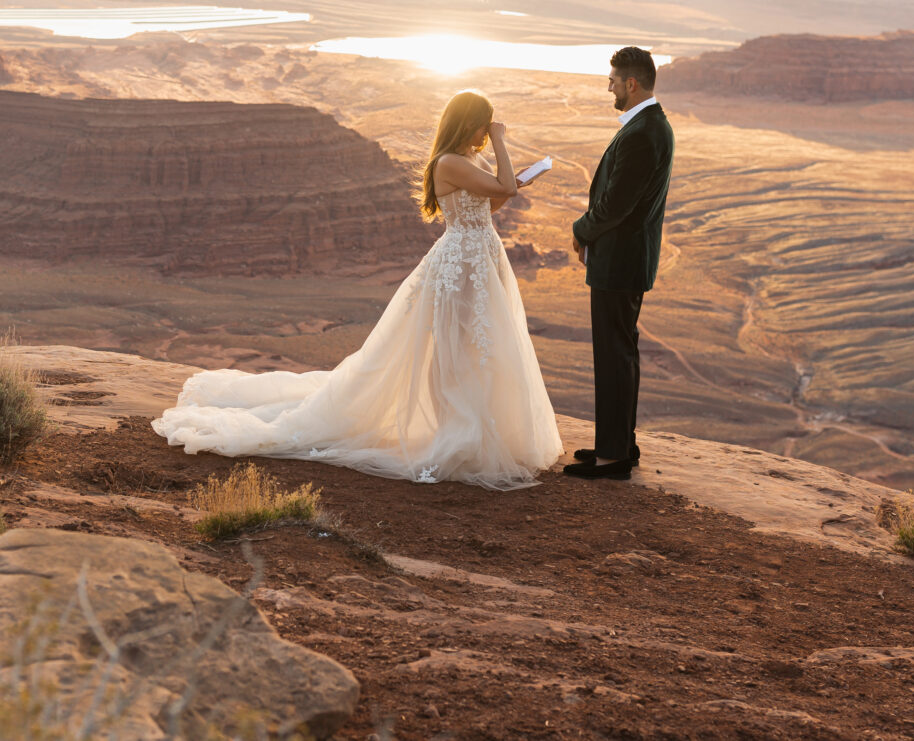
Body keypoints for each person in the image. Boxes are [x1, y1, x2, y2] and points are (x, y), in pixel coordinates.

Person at [153, 89, 563, 489]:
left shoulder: (469, 159)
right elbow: (505, 187)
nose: (486, 132)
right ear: (469, 123)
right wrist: (501, 142)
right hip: (461, 264)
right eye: (483, 125)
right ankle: (455, 432)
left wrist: (511, 175)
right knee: (453, 347)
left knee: (481, 345)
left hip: (482, 257)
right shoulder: (450, 162)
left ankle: (479, 429)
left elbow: (493, 202)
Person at [565, 46, 674, 480]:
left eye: (612, 81)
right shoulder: (649, 125)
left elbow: (616, 205)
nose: (608, 87)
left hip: (620, 262)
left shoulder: (643, 133)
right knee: (620, 354)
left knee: (613, 356)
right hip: (626, 260)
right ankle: (618, 445)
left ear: (631, 83)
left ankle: (614, 458)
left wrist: (580, 230)